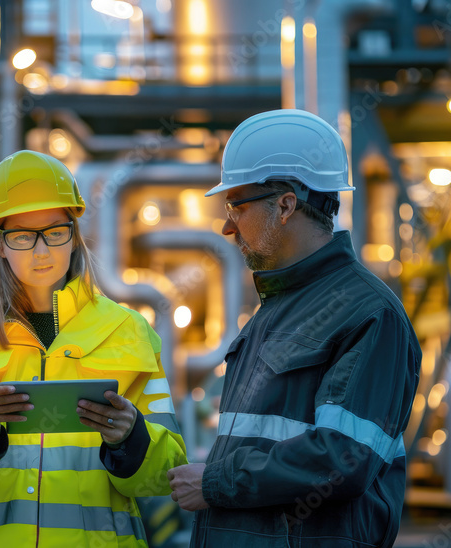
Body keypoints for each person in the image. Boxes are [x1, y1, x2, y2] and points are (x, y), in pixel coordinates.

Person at [167, 109, 420, 548]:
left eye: (236, 205)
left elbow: (344, 458)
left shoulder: (370, 313)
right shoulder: (278, 306)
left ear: (285, 205)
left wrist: (214, 483)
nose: (227, 226)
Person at [0, 150, 188, 547]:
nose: (41, 251)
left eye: (55, 232)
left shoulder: (128, 331)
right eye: (22, 236)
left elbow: (165, 475)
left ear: (74, 236)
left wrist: (130, 437)